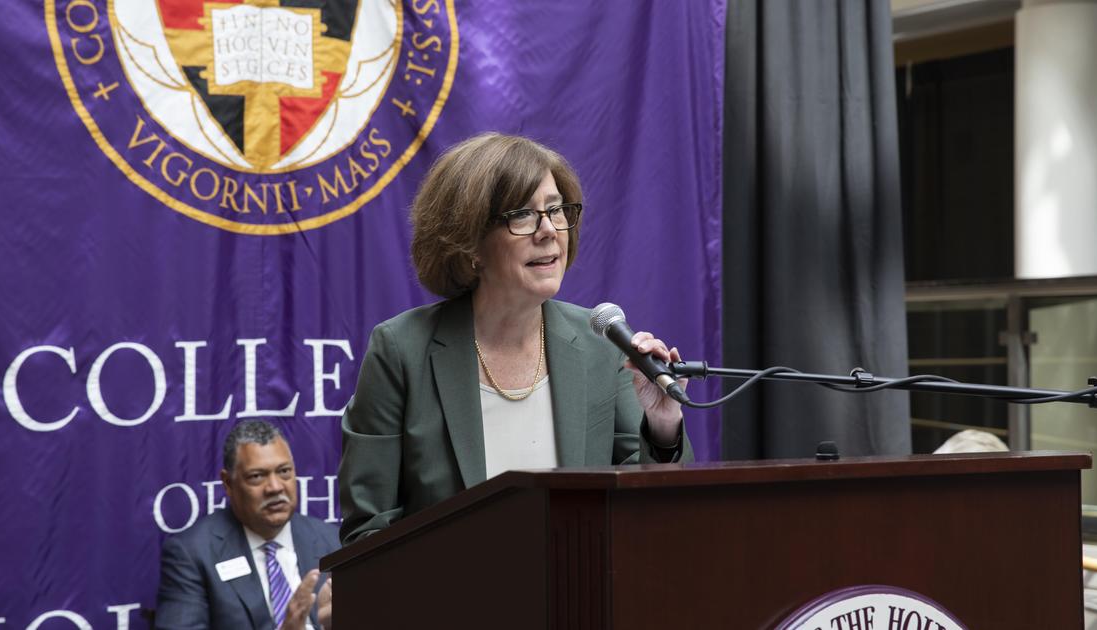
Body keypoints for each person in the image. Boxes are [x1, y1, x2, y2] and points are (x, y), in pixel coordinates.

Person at [339, 132, 694, 545]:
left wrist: (664, 425)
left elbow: (652, 509)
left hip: (579, 597)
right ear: (470, 243)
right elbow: (367, 532)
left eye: (556, 210)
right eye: (523, 215)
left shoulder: (602, 345)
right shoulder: (401, 350)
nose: (548, 231)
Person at [155, 420, 338, 630]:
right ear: (228, 483)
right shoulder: (192, 554)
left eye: (284, 471)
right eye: (257, 476)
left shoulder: (331, 540)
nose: (275, 487)